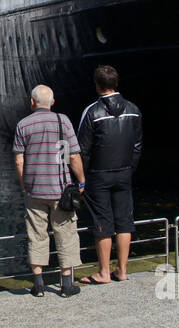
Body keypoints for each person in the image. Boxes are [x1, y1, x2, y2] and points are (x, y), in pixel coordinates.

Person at [13, 84, 86, 298]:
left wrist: (24, 184)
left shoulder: (23, 125)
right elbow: (72, 156)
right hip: (61, 190)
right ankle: (66, 285)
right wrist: (81, 181)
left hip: (35, 190)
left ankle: (38, 285)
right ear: (52, 102)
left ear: (32, 103)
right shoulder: (63, 121)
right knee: (66, 235)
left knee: (36, 236)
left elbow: (19, 160)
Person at [76, 65, 143, 285]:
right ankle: (122, 270)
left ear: (97, 84)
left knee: (102, 223)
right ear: (116, 83)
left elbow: (82, 150)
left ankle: (104, 271)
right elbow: (137, 145)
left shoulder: (92, 112)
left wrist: (81, 179)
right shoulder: (133, 109)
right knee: (124, 221)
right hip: (124, 173)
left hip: (99, 174)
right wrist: (130, 169)